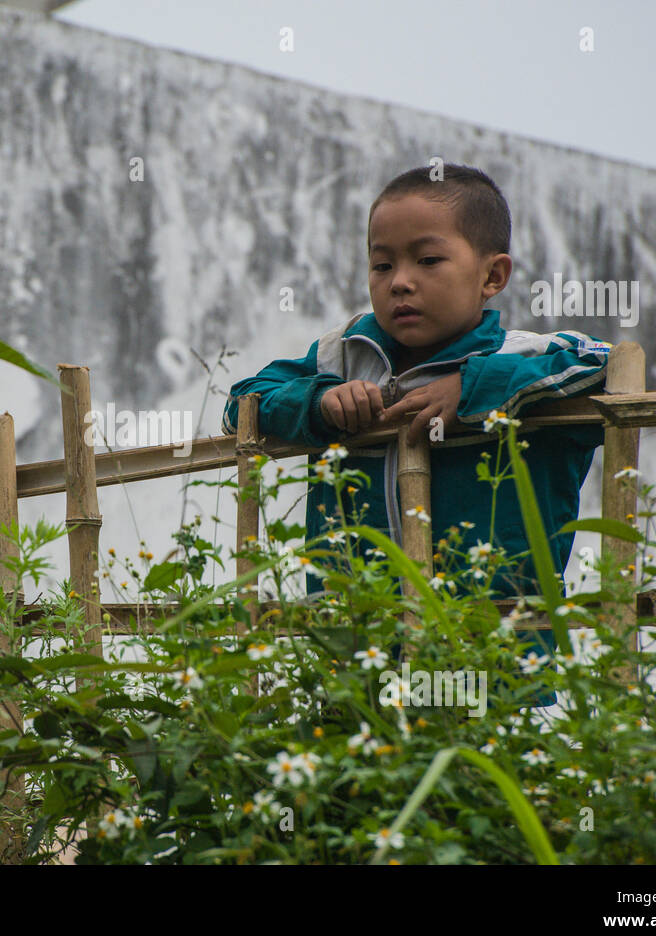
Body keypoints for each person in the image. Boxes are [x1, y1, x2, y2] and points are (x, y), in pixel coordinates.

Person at [222, 163, 612, 705]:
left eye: (428, 260)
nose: (400, 281)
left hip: (496, 660)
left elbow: (609, 366)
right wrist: (318, 402)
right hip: (358, 660)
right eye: (382, 264)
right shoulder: (340, 357)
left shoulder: (525, 356)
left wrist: (472, 387)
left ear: (492, 277)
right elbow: (243, 403)